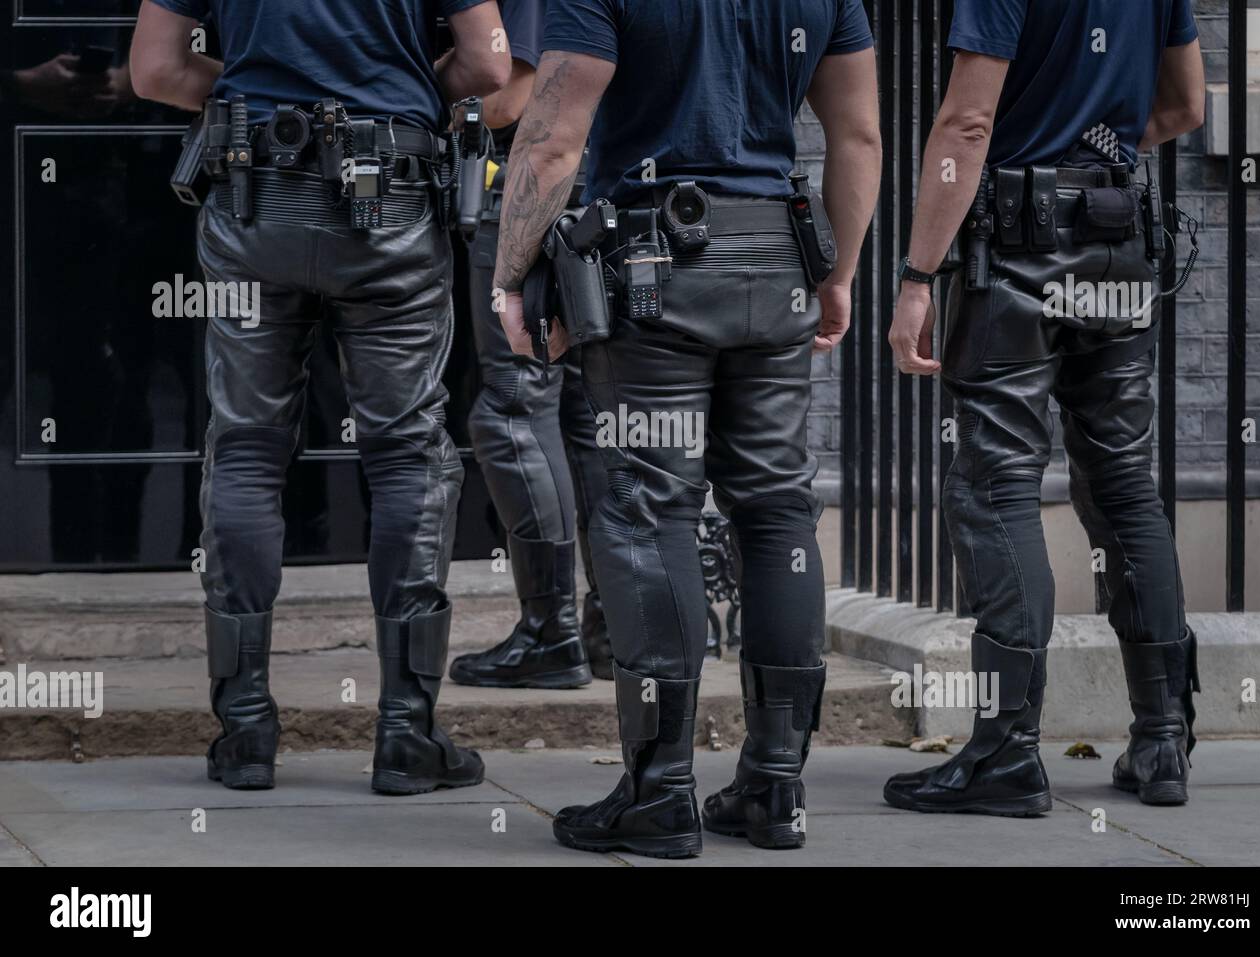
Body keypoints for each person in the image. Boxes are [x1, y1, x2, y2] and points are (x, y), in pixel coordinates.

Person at [493, 0, 881, 857]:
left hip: (651, 264)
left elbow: (555, 137)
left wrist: (512, 276)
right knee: (778, 508)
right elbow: (857, 136)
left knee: (647, 510)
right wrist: (840, 272)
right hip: (779, 260)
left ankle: (661, 788)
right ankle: (776, 787)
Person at [129, 0, 510, 793]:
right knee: (408, 454)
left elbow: (157, 70)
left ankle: (243, 732)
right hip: (392, 204)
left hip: (251, 194)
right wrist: (397, 86)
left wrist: (254, 94)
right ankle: (407, 733)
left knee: (244, 447)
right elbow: (488, 67)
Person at [885, 0, 1205, 813]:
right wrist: (1090, 163)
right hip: (1122, 233)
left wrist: (919, 276)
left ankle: (1006, 749)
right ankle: (1164, 736)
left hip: (1024, 249)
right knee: (1125, 482)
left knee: (994, 483)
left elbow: (965, 123)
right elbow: (1185, 107)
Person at [449, 0, 615, 690]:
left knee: (514, 408)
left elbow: (506, 97)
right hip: (603, 200)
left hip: (535, 196)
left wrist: (407, 86)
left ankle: (551, 633)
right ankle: (613, 626)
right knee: (590, 415)